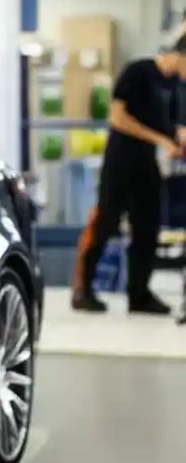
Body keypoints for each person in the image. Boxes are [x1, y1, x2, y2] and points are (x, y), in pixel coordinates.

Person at [73, 37, 186, 314]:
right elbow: (118, 118)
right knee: (106, 221)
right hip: (121, 160)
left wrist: (177, 137)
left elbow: (168, 125)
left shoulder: (171, 86)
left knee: (148, 225)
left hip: (148, 163)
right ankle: (83, 290)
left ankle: (139, 294)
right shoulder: (138, 72)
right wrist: (161, 140)